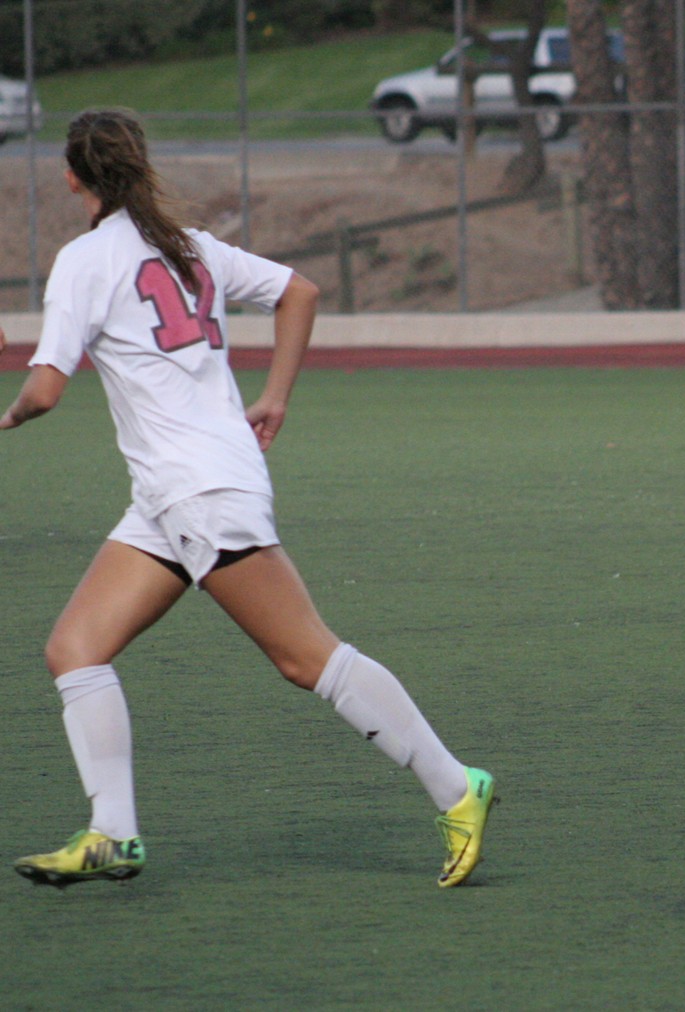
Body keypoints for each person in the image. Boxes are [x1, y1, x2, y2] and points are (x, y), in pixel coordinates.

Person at [2, 108, 495, 886]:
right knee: (75, 648)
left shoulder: (86, 259)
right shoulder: (186, 246)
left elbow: (46, 390)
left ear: (72, 177)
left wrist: (10, 412)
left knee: (306, 658)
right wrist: (277, 397)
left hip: (200, 493)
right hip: (174, 496)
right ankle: (113, 833)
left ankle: (456, 786)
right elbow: (301, 290)